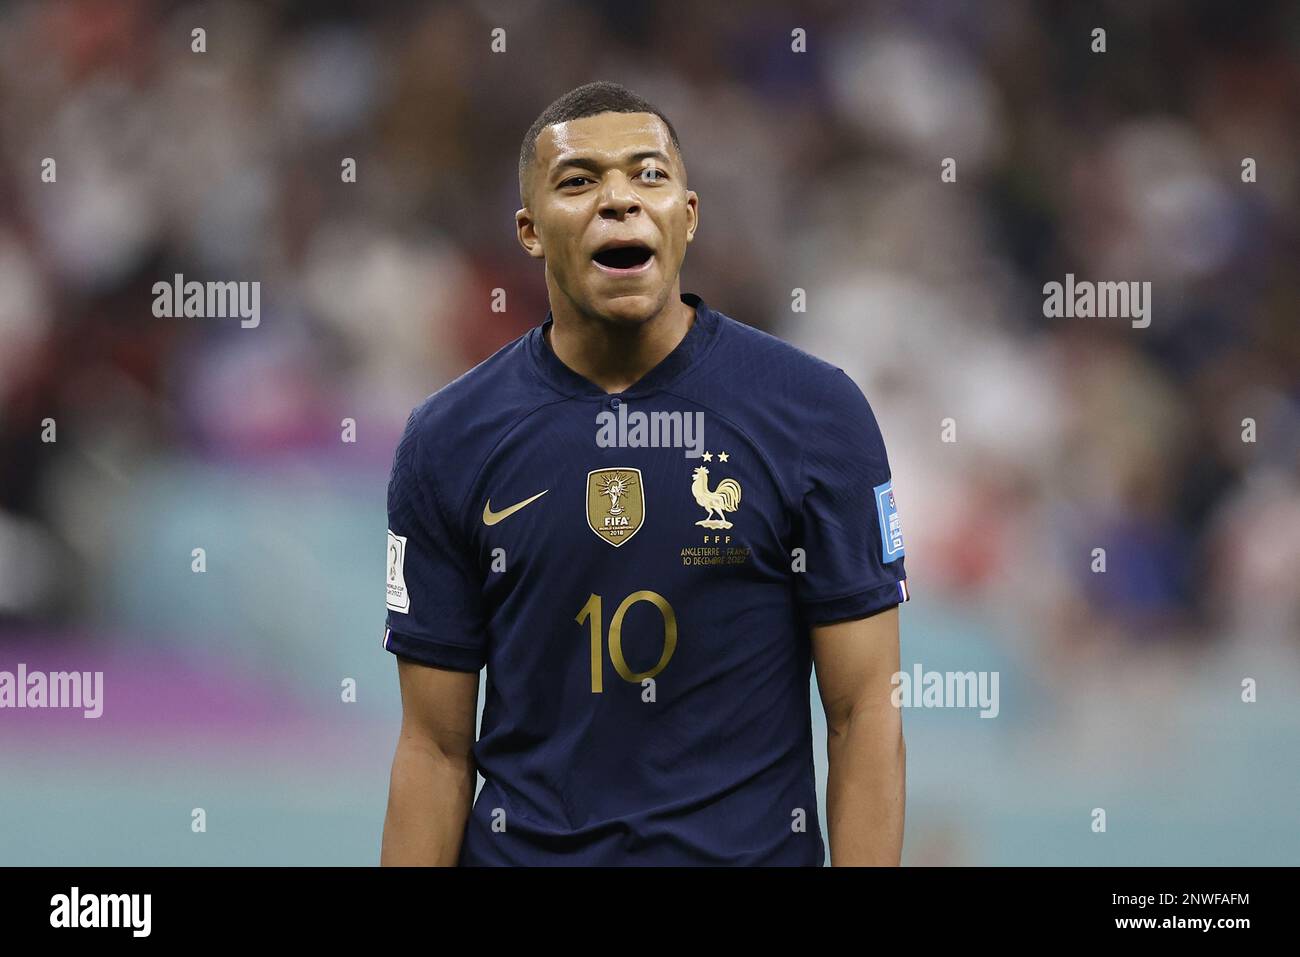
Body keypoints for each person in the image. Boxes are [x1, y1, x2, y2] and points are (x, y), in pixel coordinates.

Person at [379, 81, 909, 866]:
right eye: (578, 180)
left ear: (687, 216)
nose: (619, 199)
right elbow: (433, 749)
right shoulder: (448, 441)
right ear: (529, 231)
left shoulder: (815, 415)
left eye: (648, 175)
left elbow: (865, 711)